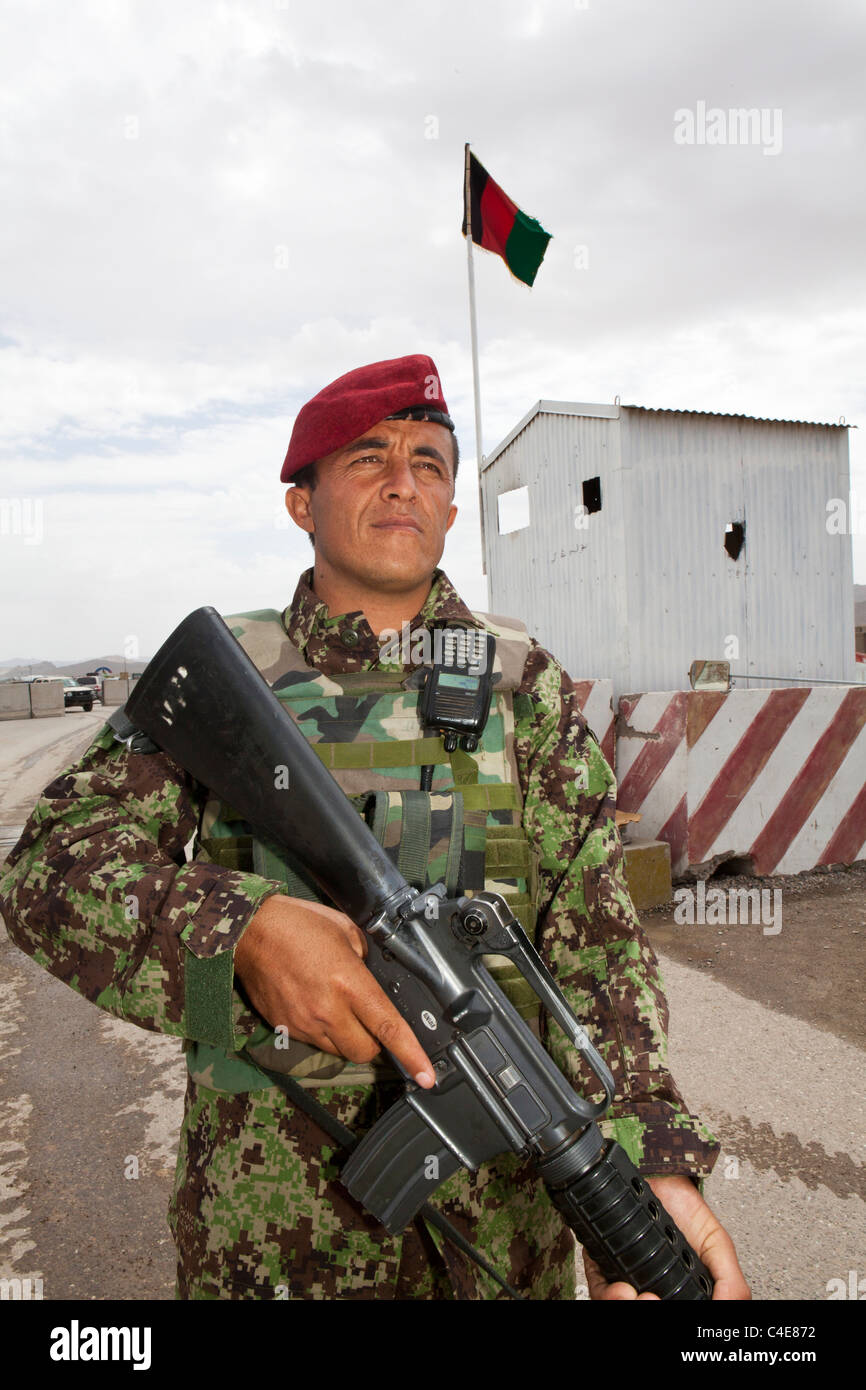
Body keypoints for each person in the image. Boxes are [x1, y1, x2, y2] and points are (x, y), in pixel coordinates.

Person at [0, 354, 749, 1301]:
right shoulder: (229, 676)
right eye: (367, 459)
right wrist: (240, 938)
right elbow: (48, 872)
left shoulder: (522, 686)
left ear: (448, 509)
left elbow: (596, 946)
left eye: (430, 465)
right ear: (301, 503)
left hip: (505, 1245)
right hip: (271, 1242)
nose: (405, 483)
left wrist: (646, 1161)